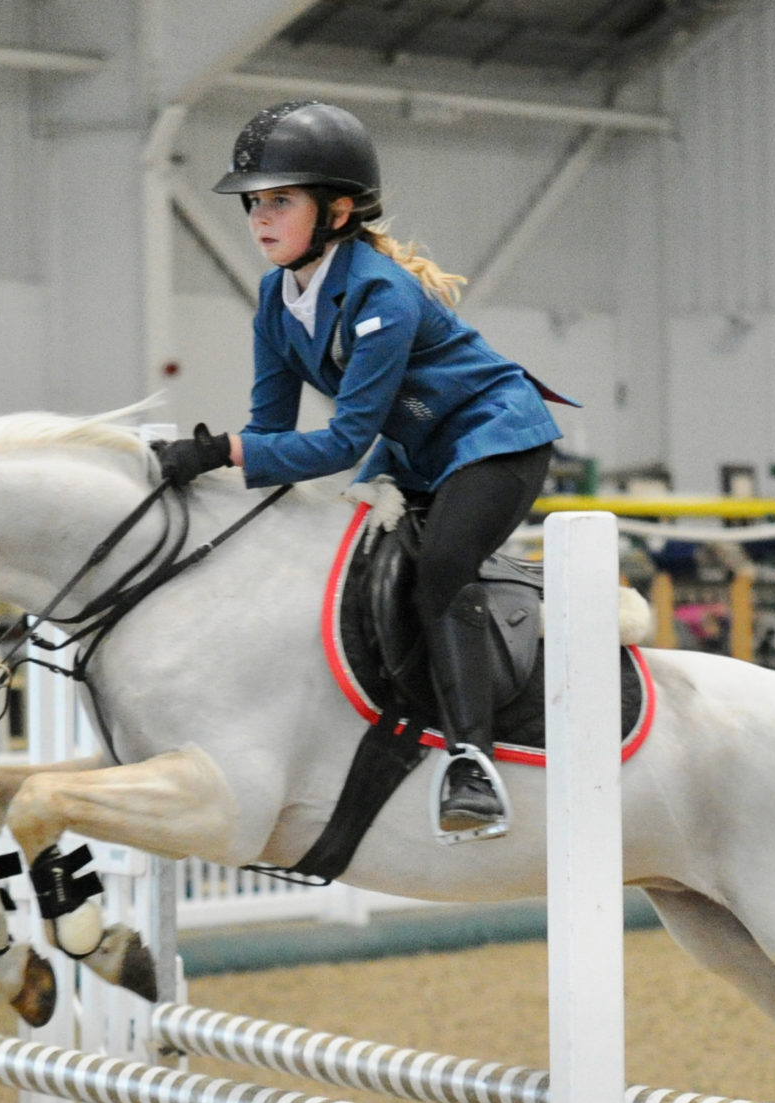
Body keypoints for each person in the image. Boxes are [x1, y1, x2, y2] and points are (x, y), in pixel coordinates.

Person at [154, 100, 564, 842]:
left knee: (441, 566)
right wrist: (214, 475)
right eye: (254, 204)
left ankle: (472, 761)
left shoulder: (381, 292)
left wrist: (220, 452)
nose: (259, 220)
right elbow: (271, 432)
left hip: (494, 438)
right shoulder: (277, 298)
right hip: (412, 449)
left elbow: (342, 440)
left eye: (280, 201)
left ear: (338, 209)